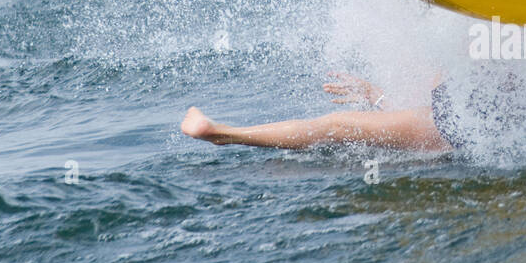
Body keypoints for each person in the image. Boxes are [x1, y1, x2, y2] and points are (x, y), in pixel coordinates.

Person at [180, 72, 459, 152]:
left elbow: (426, 121)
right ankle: (222, 134)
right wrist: (378, 96)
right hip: (465, 114)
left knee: (333, 127)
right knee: (334, 127)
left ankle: (223, 134)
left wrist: (379, 97)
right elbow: (428, 118)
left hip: (462, 117)